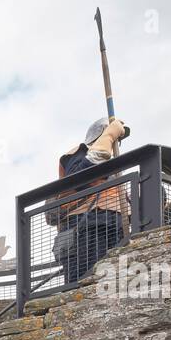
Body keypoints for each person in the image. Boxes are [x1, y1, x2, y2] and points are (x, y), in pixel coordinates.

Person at [51, 116, 132, 286]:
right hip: (86, 227)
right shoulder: (78, 153)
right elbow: (80, 177)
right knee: (85, 284)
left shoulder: (114, 171)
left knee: (112, 284)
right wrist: (109, 136)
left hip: (112, 227)